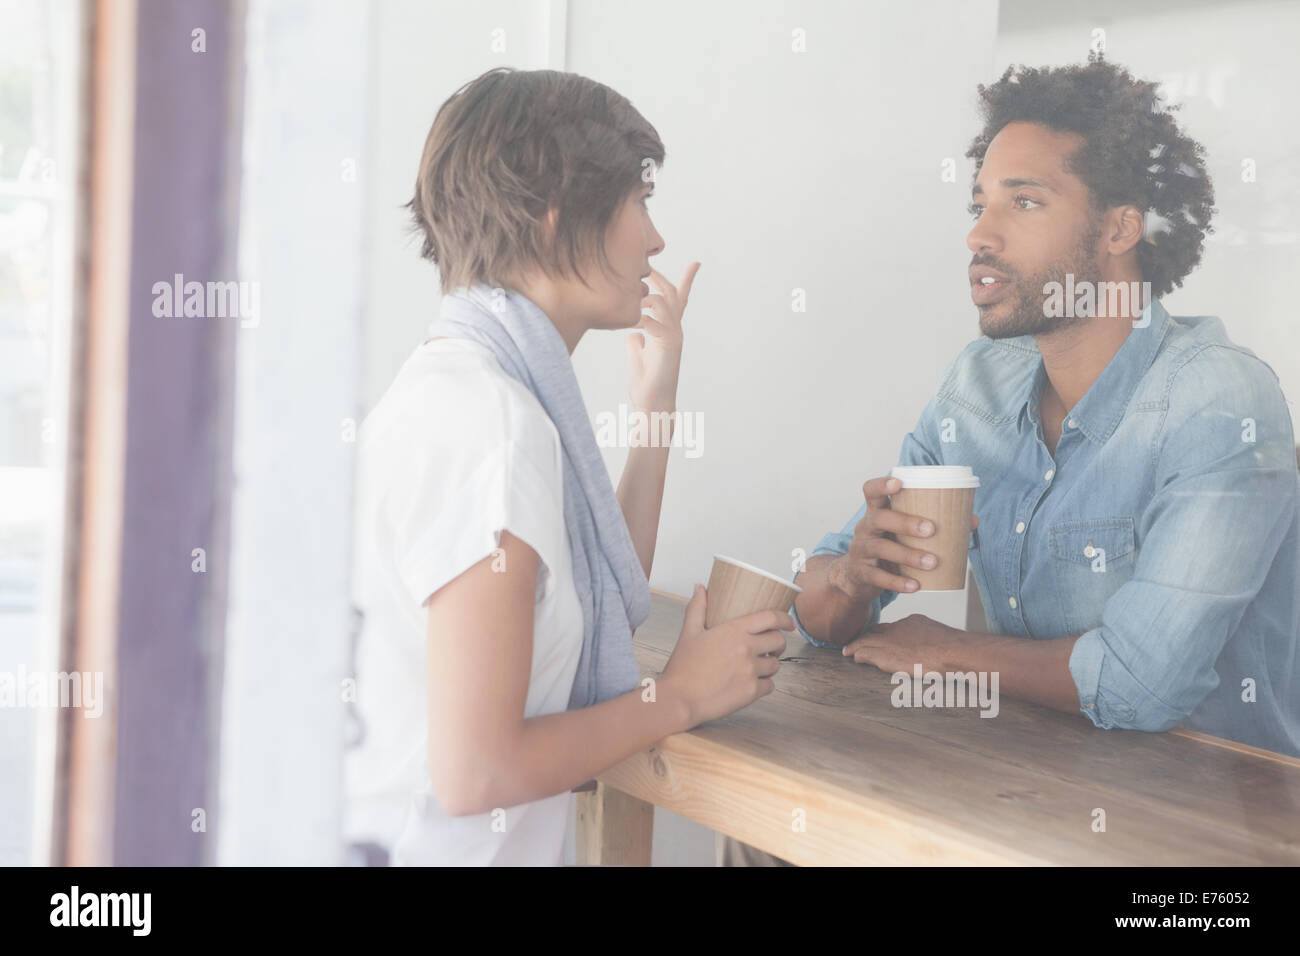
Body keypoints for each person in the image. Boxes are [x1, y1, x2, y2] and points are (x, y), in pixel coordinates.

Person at [728, 54, 1300, 865]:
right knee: (769, 827)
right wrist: (855, 578)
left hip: (1215, 832)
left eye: (1023, 202)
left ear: (1119, 227)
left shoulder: (1218, 404)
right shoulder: (979, 387)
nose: (979, 234)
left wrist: (953, 652)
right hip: (1035, 785)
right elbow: (817, 614)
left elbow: (1144, 686)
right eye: (979, 203)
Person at [343, 67, 794, 866]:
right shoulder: (493, 427)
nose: (655, 239)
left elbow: (584, 592)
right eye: (640, 202)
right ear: (557, 217)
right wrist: (680, 694)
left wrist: (655, 409)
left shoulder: (461, 389)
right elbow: (477, 772)